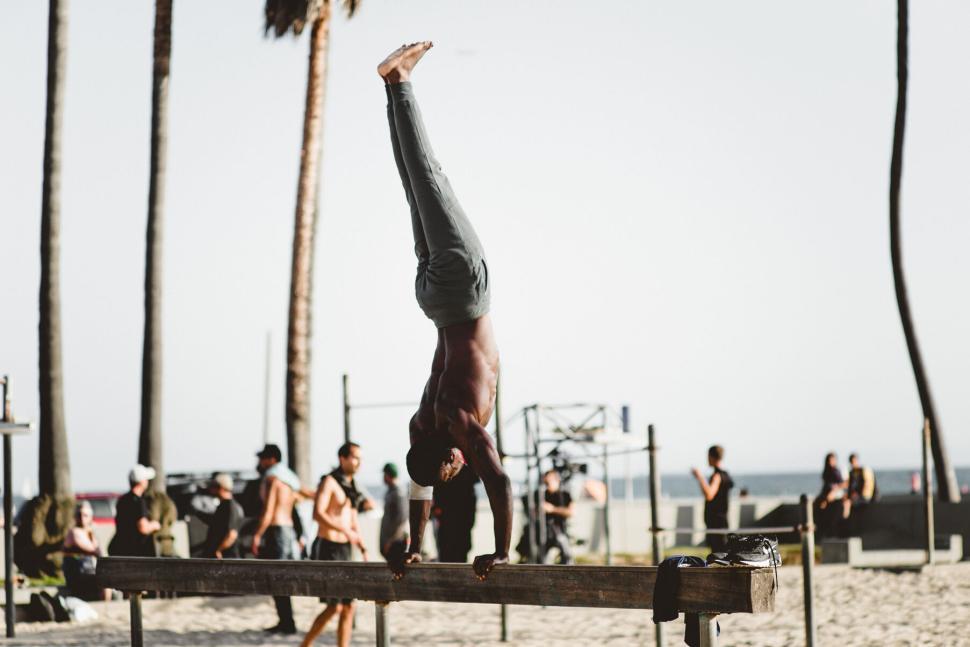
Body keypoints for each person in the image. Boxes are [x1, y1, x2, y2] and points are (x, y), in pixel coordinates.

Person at [377, 41, 512, 582]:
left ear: (453, 459)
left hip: (459, 291)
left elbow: (499, 481)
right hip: (433, 302)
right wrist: (414, 543)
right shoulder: (420, 423)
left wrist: (502, 550)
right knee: (415, 184)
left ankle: (399, 82)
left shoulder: (456, 421)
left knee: (429, 178)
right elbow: (420, 485)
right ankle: (393, 87)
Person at [301, 442, 368, 647]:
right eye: (355, 457)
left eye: (360, 458)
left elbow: (352, 519)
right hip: (328, 547)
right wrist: (344, 529)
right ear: (342, 458)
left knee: (349, 607)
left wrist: (362, 545)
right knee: (334, 607)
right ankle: (305, 645)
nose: (358, 462)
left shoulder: (353, 486)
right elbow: (318, 514)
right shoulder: (329, 482)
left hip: (346, 549)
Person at [252, 443, 306, 635]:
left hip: (276, 531)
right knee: (280, 576)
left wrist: (257, 535)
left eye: (262, 458)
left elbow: (268, 512)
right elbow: (298, 505)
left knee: (277, 577)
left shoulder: (273, 480)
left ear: (271, 459)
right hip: (288, 531)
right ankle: (286, 620)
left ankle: (287, 622)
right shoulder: (289, 481)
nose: (259, 462)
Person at [108, 464, 161, 558]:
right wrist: (155, 525)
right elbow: (143, 528)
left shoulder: (123, 500)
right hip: (136, 552)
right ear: (142, 482)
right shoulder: (138, 502)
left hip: (120, 549)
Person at [62, 501, 109, 601]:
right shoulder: (74, 532)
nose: (82, 518)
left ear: (91, 517)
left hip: (88, 573)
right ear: (75, 516)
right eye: (79, 514)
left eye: (85, 515)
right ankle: (105, 608)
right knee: (105, 580)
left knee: (112, 579)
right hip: (77, 575)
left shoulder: (90, 533)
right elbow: (96, 551)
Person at [432, 465, 479, 563]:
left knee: (452, 555)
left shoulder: (446, 475)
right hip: (455, 528)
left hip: (452, 527)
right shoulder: (468, 479)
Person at [692, 445, 734, 552]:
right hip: (720, 523)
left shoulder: (717, 476)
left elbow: (709, 494)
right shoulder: (725, 475)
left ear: (712, 457)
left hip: (717, 525)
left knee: (718, 555)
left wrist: (700, 477)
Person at [202, 473, 244, 559]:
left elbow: (232, 534)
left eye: (214, 486)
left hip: (227, 557)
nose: (211, 489)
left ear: (221, 487)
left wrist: (219, 550)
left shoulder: (229, 506)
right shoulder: (225, 505)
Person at [379, 463, 408, 561]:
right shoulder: (390, 491)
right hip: (389, 542)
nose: (383, 478)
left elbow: (401, 518)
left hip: (395, 543)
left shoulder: (399, 493)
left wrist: (391, 541)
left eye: (384, 474)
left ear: (388, 475)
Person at [842, 453, 877, 519]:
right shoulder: (852, 472)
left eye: (854, 461)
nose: (853, 464)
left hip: (864, 496)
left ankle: (845, 520)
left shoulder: (863, 470)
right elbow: (850, 487)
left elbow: (867, 485)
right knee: (843, 501)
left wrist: (857, 494)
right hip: (856, 496)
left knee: (847, 503)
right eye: (852, 462)